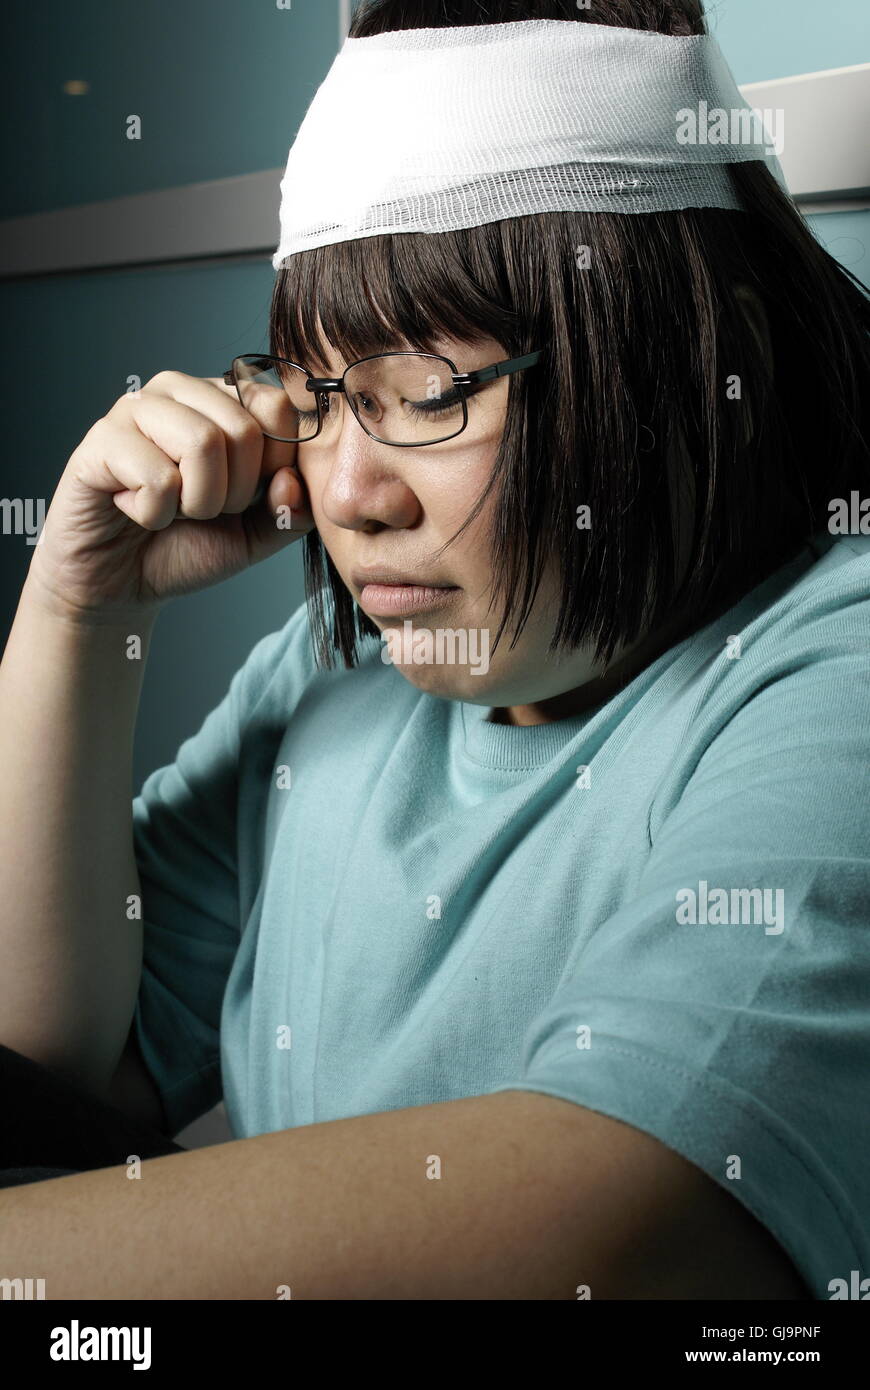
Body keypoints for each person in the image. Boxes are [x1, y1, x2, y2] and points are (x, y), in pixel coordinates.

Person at [0, 0, 868, 1300]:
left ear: (669, 361)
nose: (347, 492)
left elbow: (613, 1216)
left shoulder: (830, 671)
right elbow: (54, 1063)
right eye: (322, 395)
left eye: (428, 393)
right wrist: (80, 615)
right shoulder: (328, 676)